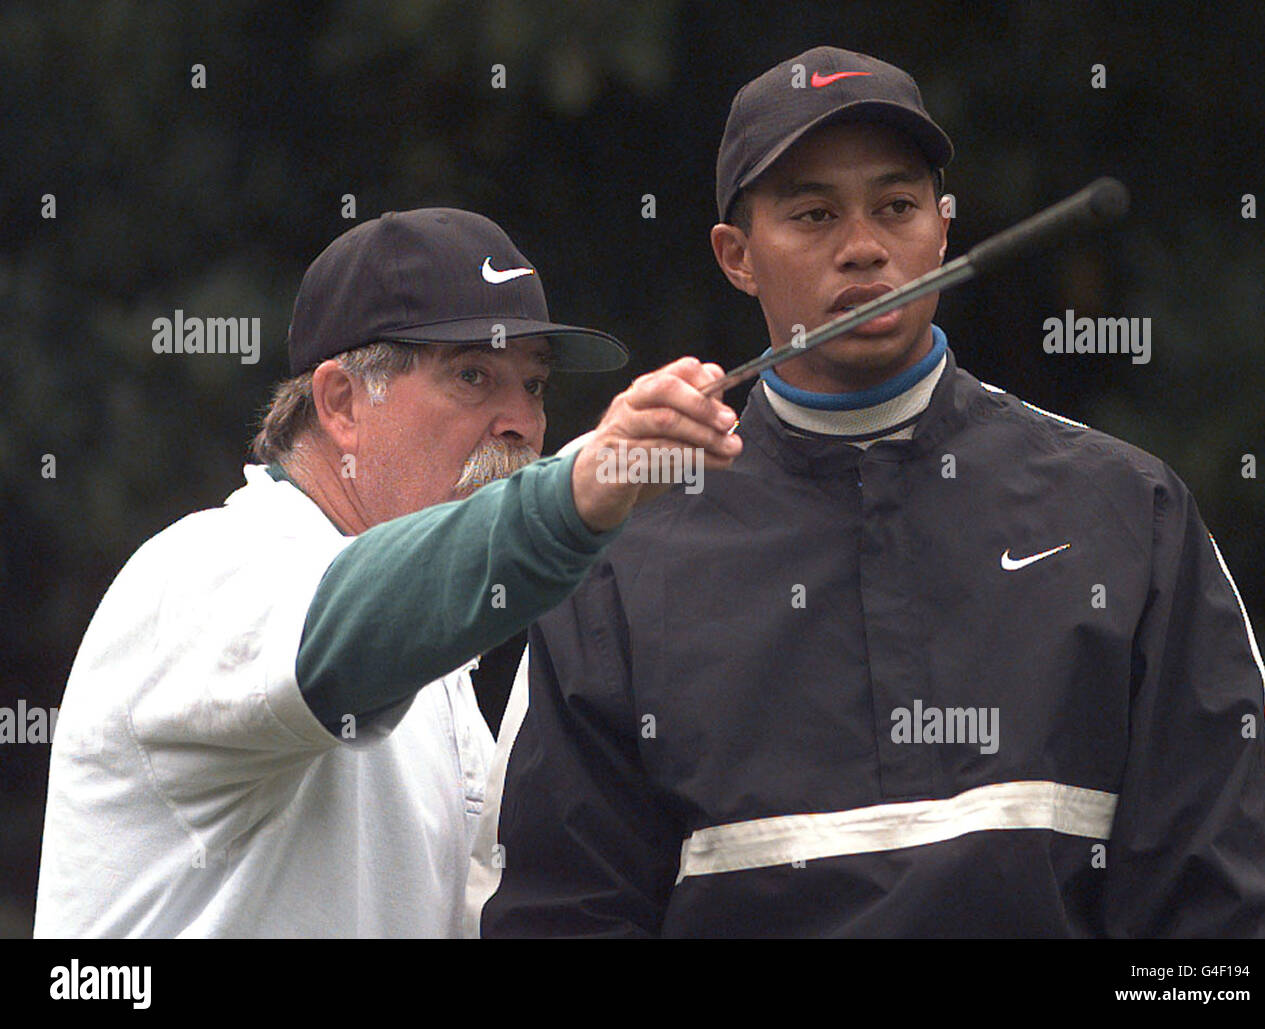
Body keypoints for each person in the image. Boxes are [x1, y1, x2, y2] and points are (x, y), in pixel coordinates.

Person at [468, 48, 1265, 937]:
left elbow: (1227, 920)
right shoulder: (623, 555)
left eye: (895, 206)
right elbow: (559, 913)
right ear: (736, 256)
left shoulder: (1131, 512)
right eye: (814, 213)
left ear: (943, 229)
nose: (863, 247)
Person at [33, 207, 742, 938]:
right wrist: (574, 492)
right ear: (341, 402)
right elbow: (352, 622)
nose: (520, 423)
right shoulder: (203, 572)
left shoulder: (442, 677)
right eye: (473, 375)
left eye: (532, 385)